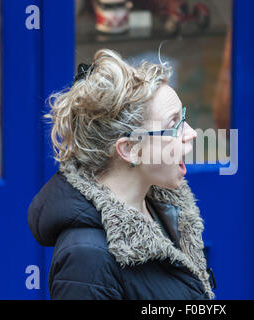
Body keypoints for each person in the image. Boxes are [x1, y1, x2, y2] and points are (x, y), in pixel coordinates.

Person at [28, 48, 215, 300]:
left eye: (184, 118)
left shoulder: (161, 207)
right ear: (130, 149)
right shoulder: (85, 261)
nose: (191, 133)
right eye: (174, 125)